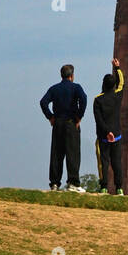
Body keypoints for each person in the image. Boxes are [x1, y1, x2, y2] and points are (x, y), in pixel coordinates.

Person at [40, 63, 87, 192]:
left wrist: (50, 117)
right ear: (72, 75)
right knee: (73, 153)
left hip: (58, 123)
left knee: (56, 153)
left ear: (61, 75)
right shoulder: (76, 88)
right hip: (71, 122)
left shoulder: (54, 89)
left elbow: (43, 102)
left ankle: (54, 183)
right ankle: (73, 183)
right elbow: (84, 99)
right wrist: (79, 117)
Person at [93, 57, 125, 195]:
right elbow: (122, 84)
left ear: (103, 84)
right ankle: (119, 188)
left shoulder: (98, 99)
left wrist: (107, 132)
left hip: (104, 137)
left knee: (104, 163)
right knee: (117, 162)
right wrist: (117, 68)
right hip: (116, 136)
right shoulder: (117, 96)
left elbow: (98, 120)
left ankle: (104, 187)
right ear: (113, 86)